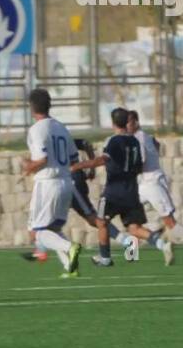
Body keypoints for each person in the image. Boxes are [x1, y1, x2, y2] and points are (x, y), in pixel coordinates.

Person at [71, 108, 173, 267]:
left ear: (112, 123)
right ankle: (162, 245)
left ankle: (105, 258)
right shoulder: (135, 142)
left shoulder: (113, 141)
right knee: (135, 228)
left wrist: (78, 166)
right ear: (127, 122)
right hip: (132, 191)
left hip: (113, 191)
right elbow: (139, 166)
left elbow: (101, 160)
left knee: (100, 221)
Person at [23, 137, 125, 262]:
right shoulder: (58, 138)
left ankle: (125, 240)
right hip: (64, 182)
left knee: (93, 218)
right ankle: (45, 252)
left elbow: (85, 144)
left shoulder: (55, 140)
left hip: (71, 182)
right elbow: (86, 144)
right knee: (49, 223)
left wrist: (29, 166)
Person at [21, 89, 82, 278]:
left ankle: (70, 247)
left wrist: (27, 166)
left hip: (47, 183)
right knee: (53, 229)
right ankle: (69, 267)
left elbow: (42, 160)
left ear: (31, 107)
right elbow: (74, 158)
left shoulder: (37, 129)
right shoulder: (61, 127)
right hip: (66, 182)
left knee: (37, 233)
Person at [126, 110, 178, 260]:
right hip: (143, 186)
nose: (127, 125)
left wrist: (125, 169)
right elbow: (156, 144)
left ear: (136, 122)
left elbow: (140, 162)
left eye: (129, 122)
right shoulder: (144, 137)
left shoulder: (139, 139)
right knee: (130, 218)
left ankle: (155, 234)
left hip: (153, 184)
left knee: (170, 222)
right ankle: (131, 254)